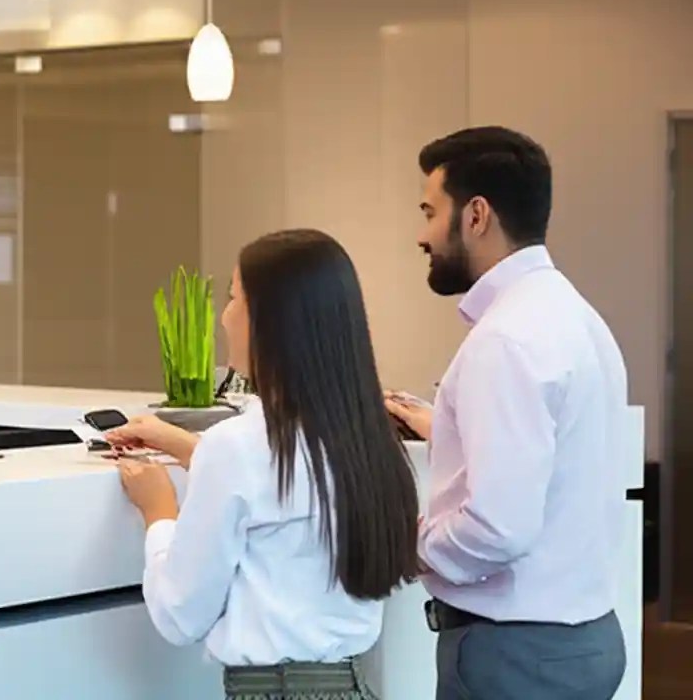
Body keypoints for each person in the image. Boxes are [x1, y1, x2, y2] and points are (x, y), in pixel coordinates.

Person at [108, 229, 420, 700]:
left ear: (270, 324)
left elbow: (179, 615)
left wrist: (159, 515)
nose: (223, 317)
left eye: (234, 299)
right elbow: (287, 485)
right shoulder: (367, 436)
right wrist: (187, 446)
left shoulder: (237, 449)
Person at [385, 126, 628, 699]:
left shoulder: (506, 340)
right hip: (583, 641)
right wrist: (442, 426)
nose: (421, 235)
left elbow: (497, 528)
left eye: (428, 210)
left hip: (515, 657)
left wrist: (406, 545)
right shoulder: (575, 316)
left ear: (475, 215)